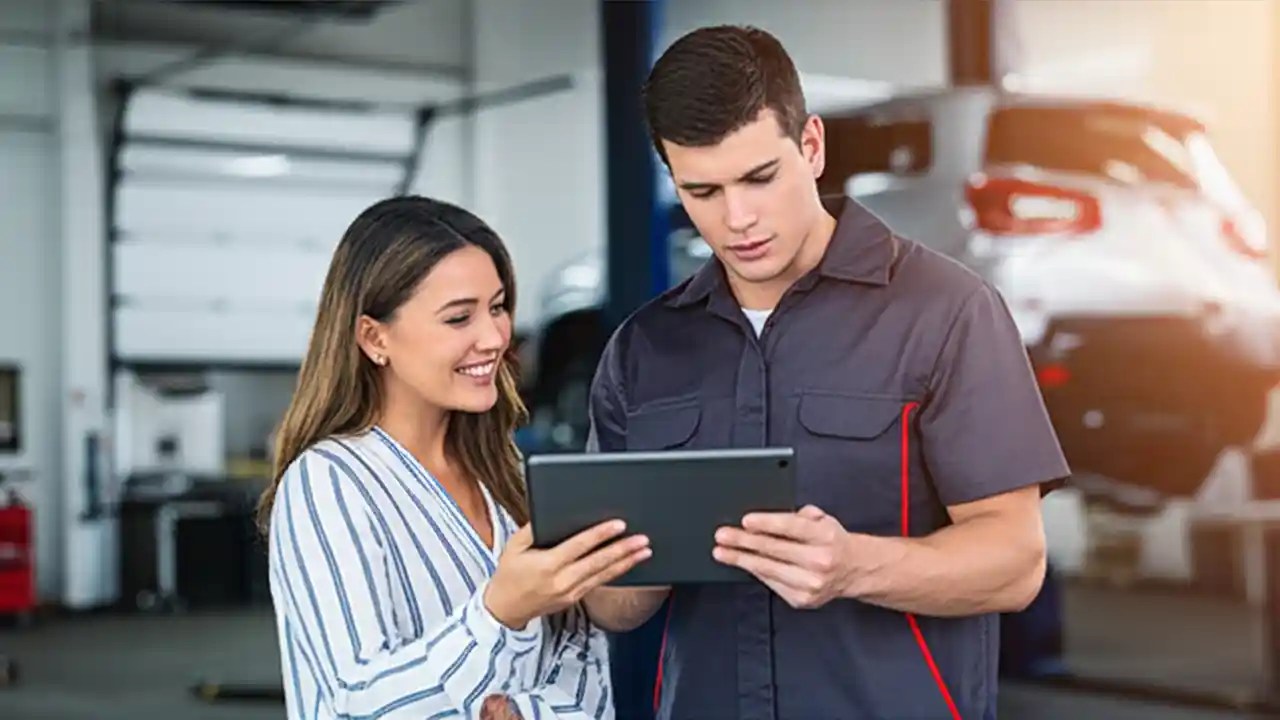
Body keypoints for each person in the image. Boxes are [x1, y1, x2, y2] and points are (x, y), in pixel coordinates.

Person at [580, 25, 1071, 720]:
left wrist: (853, 567)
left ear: (811, 146)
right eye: (704, 191)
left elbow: (1015, 561)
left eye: (759, 177)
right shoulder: (643, 350)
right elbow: (611, 605)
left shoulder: (947, 313)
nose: (738, 219)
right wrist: (615, 562)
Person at [259, 196, 651, 720]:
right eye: (459, 317)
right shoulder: (327, 483)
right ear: (374, 338)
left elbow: (585, 666)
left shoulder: (508, 474)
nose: (493, 338)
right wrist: (501, 613)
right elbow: (359, 702)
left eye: (497, 307)